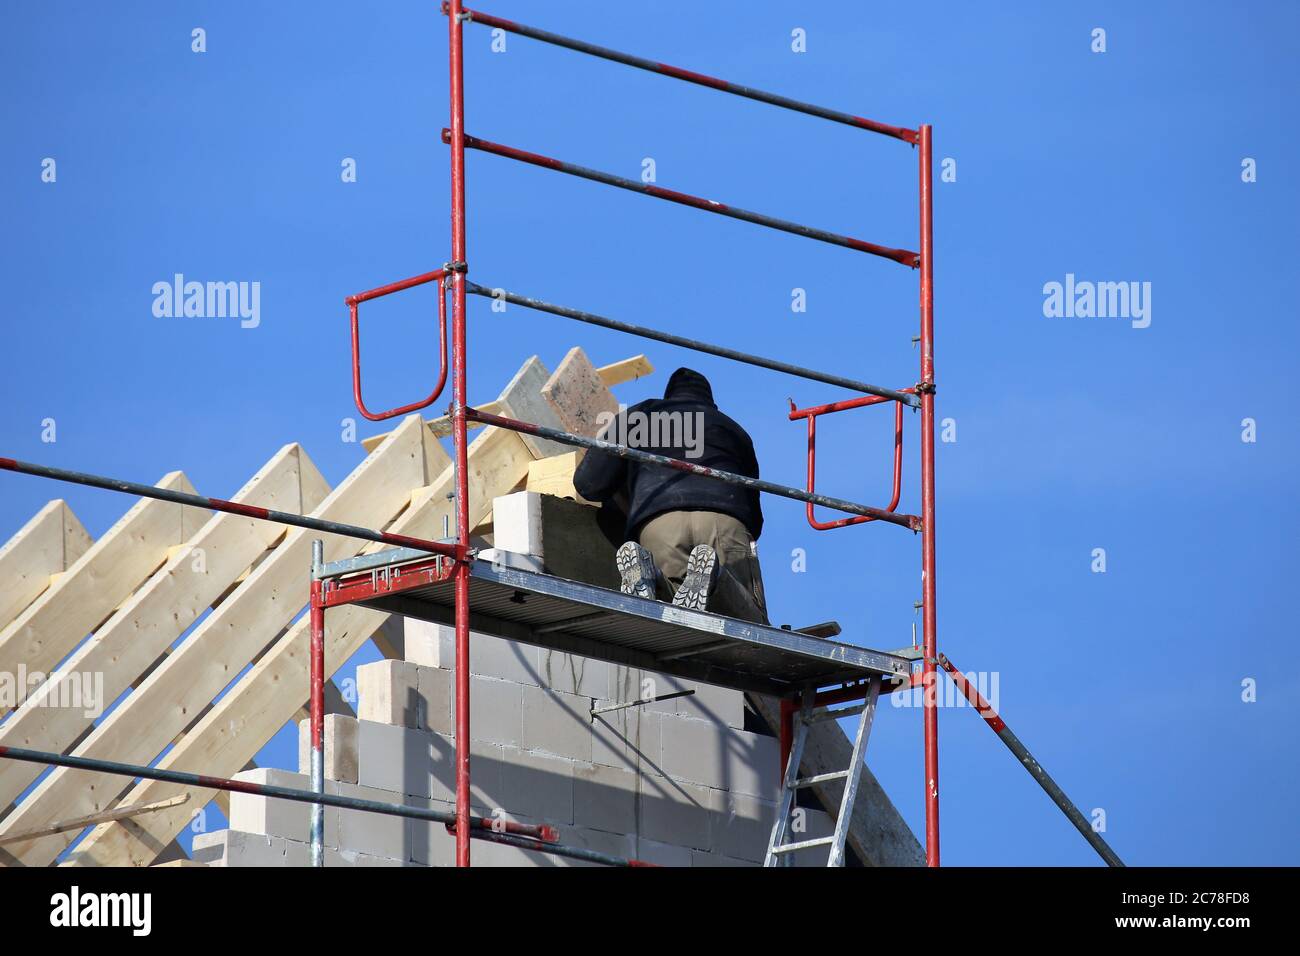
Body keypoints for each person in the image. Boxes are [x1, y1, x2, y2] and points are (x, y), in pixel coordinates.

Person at [573, 367, 769, 624]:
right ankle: (714, 576)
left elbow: (588, 484)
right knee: (745, 620)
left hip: (658, 523)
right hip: (723, 521)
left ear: (668, 398)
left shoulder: (642, 415)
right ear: (712, 405)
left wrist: (626, 491)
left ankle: (647, 572)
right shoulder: (734, 431)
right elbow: (755, 517)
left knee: (669, 613)